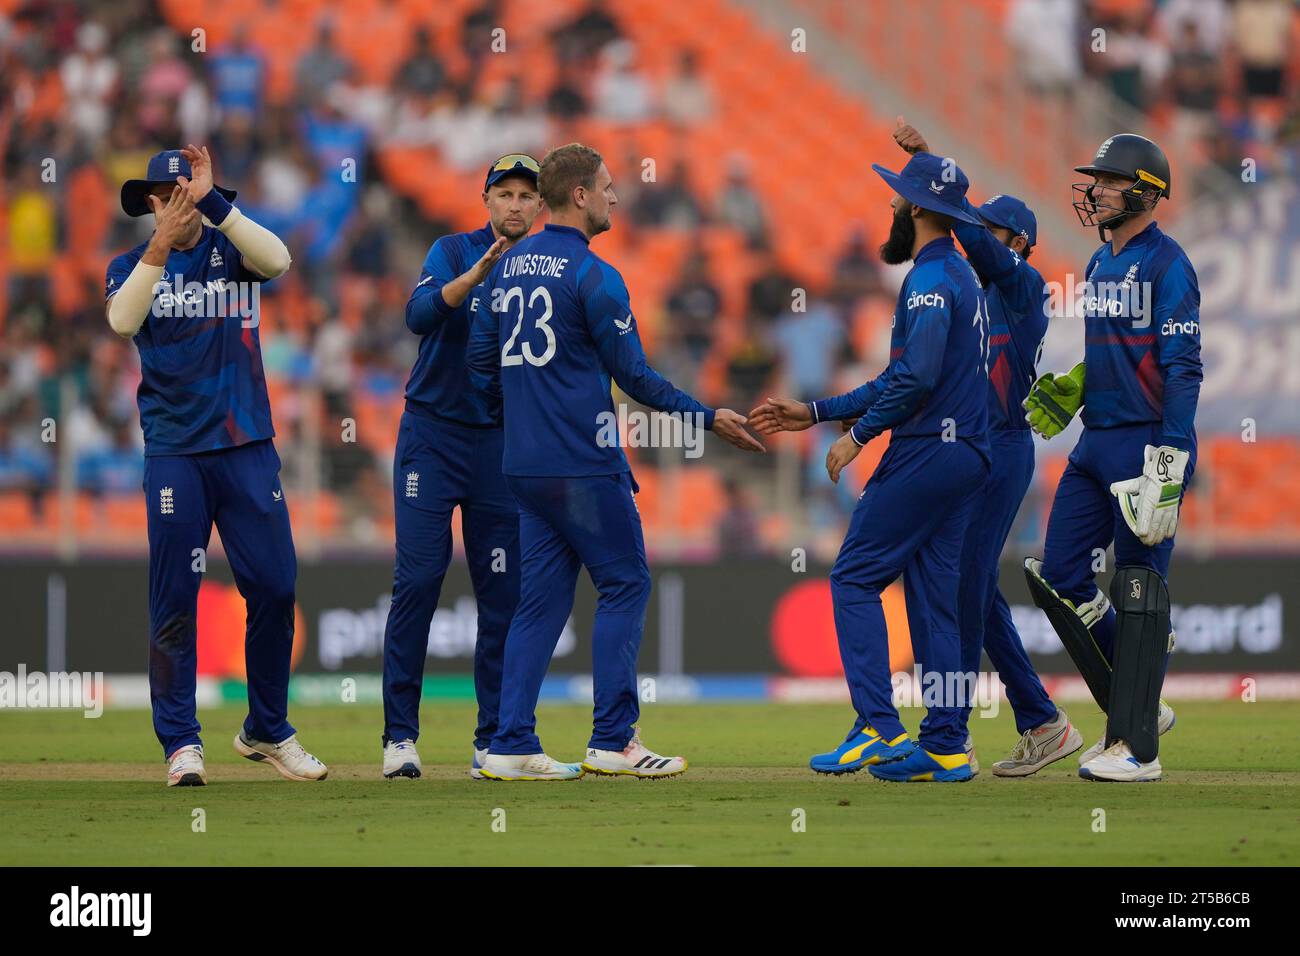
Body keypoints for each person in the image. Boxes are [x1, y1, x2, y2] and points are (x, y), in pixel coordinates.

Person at [467, 143, 763, 780]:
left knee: (539, 605)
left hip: (524, 464)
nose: (615, 196)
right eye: (606, 186)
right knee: (625, 583)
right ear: (579, 195)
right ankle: (612, 739)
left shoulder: (507, 266)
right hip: (581, 460)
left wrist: (522, 419)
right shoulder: (595, 275)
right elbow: (636, 377)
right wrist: (708, 417)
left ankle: (510, 743)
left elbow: (479, 367)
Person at [751, 151, 991, 783]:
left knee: (854, 576)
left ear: (917, 209)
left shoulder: (929, 280)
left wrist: (855, 435)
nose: (889, 207)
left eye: (897, 198)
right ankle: (945, 741)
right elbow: (901, 375)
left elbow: (914, 375)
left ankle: (878, 726)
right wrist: (818, 410)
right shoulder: (960, 277)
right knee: (936, 602)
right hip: (967, 452)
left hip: (926, 453)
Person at [105, 147, 325, 787]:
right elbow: (123, 320)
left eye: (186, 191)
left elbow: (280, 259)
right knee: (175, 597)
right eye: (166, 194)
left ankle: (266, 728)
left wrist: (215, 203)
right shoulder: (128, 266)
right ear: (149, 203)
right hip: (176, 453)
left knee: (277, 586)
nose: (179, 203)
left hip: (247, 445)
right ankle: (181, 742)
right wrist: (161, 248)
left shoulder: (235, 252)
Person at [891, 119, 1083, 777]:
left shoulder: (1023, 288)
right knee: (973, 589)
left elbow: (971, 236)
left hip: (1003, 448)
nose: (976, 243)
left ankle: (952, 736)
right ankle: (1039, 721)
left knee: (964, 587)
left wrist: (928, 164)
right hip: (975, 445)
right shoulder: (972, 288)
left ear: (1018, 244)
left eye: (991, 234)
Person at [1023, 133, 1200, 782]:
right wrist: (1076, 385)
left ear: (1146, 191)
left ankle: (1137, 749)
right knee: (1057, 574)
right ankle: (1141, 687)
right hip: (1096, 440)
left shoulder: (1168, 264)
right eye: (1094, 179)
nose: (1095, 188)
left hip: (1145, 440)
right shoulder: (1100, 261)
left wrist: (1172, 457)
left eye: (1108, 179)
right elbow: (1118, 352)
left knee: (1138, 581)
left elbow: (1183, 368)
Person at [381, 154, 543, 780]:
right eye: (504, 193)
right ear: (486, 200)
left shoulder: (545, 270)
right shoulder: (453, 250)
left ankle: (492, 742)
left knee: (501, 595)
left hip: (499, 448)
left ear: (540, 206)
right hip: (433, 437)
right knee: (418, 581)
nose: (515, 205)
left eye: (527, 195)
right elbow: (418, 318)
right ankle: (400, 738)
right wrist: (475, 276)